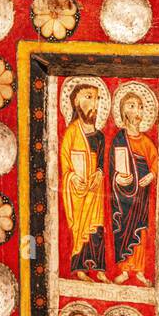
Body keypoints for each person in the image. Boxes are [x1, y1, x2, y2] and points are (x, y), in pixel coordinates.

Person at [110, 90, 157, 285]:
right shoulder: (119, 139)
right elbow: (112, 167)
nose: (136, 110)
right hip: (123, 195)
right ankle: (125, 270)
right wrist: (117, 179)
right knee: (123, 229)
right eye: (131, 106)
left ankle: (139, 271)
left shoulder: (146, 141)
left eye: (139, 106)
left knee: (141, 231)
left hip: (141, 195)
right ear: (123, 112)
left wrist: (151, 175)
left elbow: (155, 162)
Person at [60, 83, 106, 280]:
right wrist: (72, 178)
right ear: (77, 102)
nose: (94, 103)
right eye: (89, 97)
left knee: (97, 228)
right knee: (80, 229)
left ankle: (99, 268)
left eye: (97, 98)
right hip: (77, 189)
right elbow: (65, 162)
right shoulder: (71, 132)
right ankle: (79, 268)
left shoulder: (100, 136)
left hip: (95, 190)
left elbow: (102, 163)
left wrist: (99, 173)